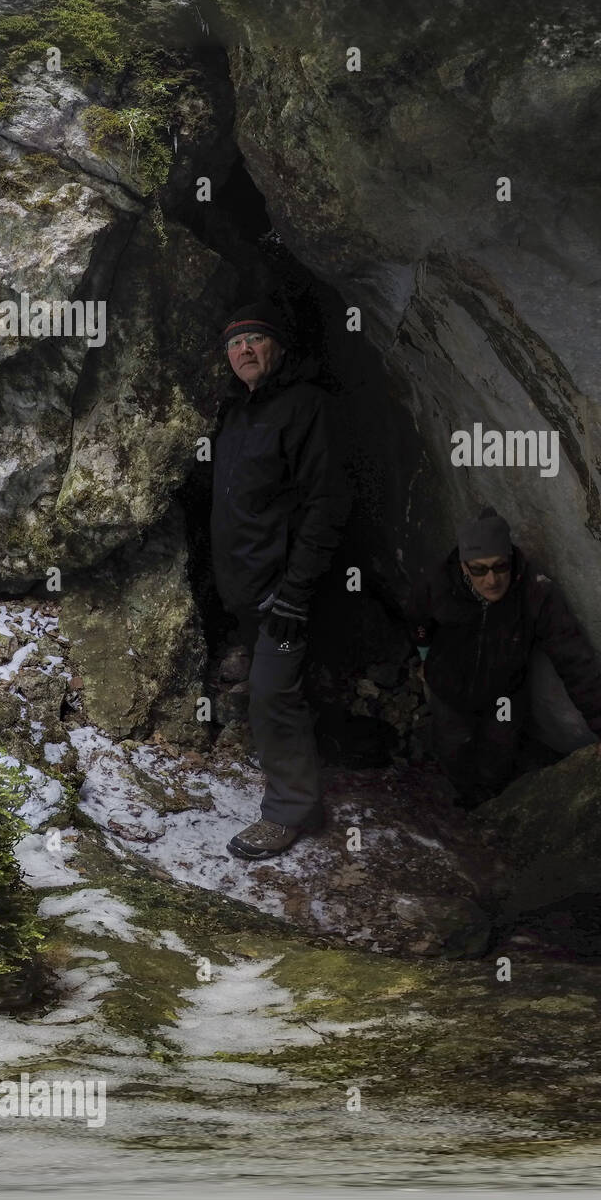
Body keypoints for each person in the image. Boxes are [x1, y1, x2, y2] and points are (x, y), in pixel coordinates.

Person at [207, 302, 350, 861]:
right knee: (280, 691)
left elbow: (327, 502)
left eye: (256, 339)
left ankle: (290, 811)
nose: (244, 349)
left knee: (271, 696)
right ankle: (318, 761)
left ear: (279, 348)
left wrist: (296, 590)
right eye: (234, 342)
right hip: (245, 587)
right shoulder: (237, 412)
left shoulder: (307, 407)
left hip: (284, 592)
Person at [401, 506, 601, 807]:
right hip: (449, 688)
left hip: (504, 695)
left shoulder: (535, 592)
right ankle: (463, 805)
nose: (491, 580)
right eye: (479, 569)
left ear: (511, 559)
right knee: (453, 748)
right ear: (464, 566)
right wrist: (425, 658)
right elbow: (417, 620)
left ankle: (491, 806)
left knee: (498, 755)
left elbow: (573, 659)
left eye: (500, 566)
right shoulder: (438, 582)